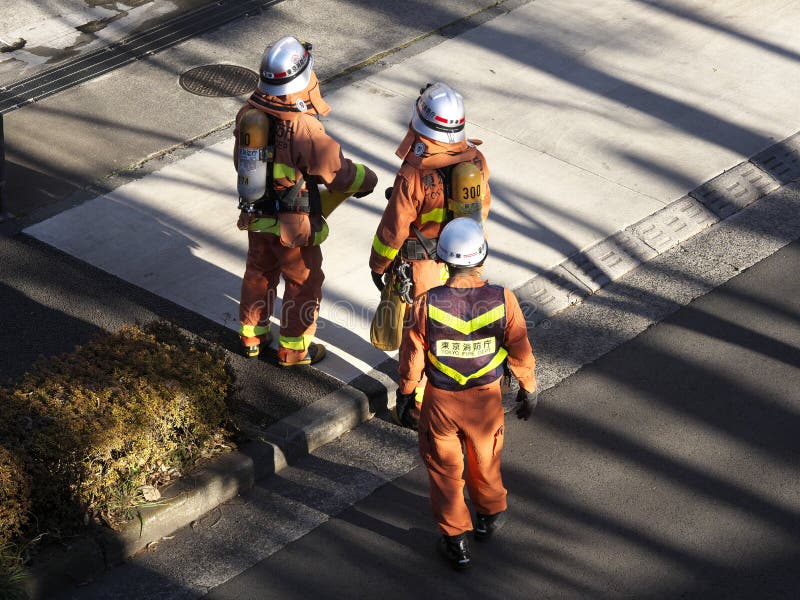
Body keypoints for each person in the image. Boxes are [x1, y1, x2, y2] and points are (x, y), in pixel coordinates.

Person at [396, 217, 538, 570]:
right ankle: (490, 515)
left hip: (441, 403)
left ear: (442, 260)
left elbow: (413, 355)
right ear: (482, 258)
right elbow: (520, 348)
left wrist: (406, 392)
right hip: (486, 401)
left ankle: (456, 539)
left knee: (445, 471)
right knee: (485, 458)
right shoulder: (503, 299)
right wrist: (528, 387)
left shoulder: (426, 303)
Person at [234, 36, 377, 365]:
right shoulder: (303, 127)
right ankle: (294, 350)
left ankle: (251, 338)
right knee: (303, 283)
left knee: (258, 273)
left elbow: (240, 164)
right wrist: (366, 179)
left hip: (256, 216)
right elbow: (339, 174)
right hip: (293, 227)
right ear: (302, 80)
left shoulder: (249, 115)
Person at [369, 82, 491, 421]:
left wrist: (378, 264)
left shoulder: (415, 173)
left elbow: (394, 229)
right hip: (464, 266)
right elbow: (483, 209)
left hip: (423, 268)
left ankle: (416, 400)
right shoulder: (476, 161)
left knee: (419, 336)